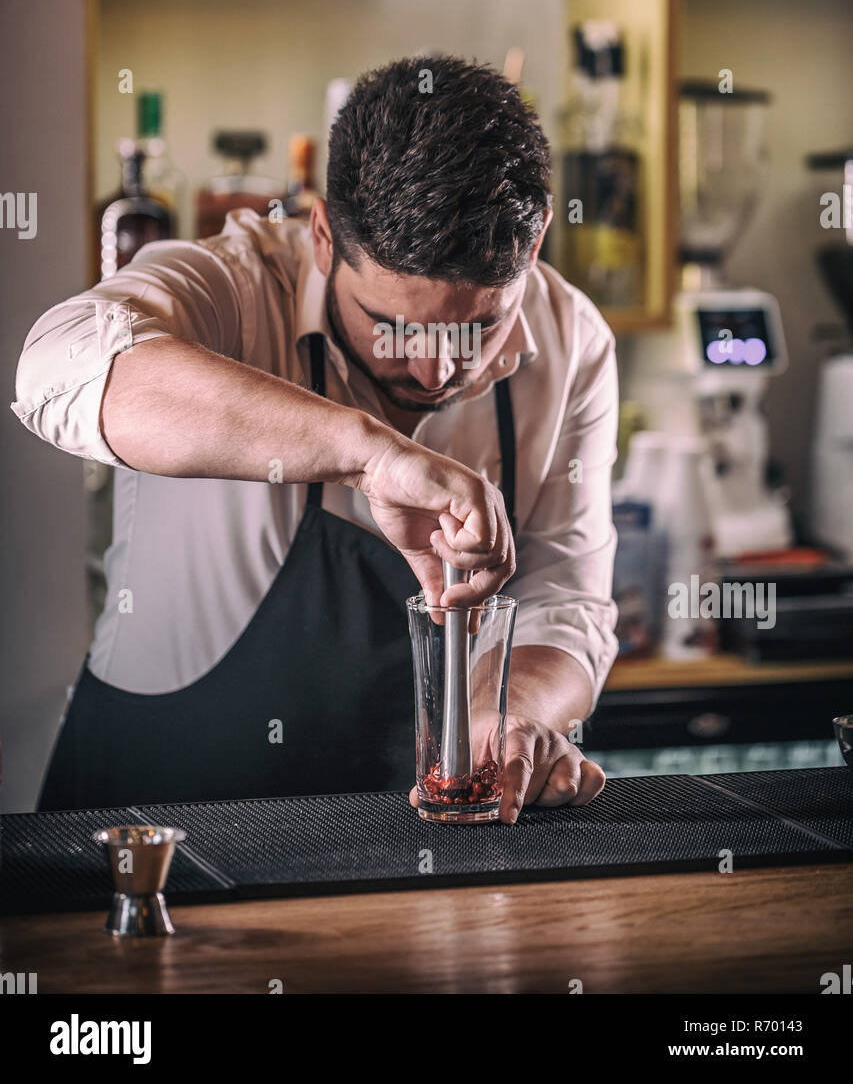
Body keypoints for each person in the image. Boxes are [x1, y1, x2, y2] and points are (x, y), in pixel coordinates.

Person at [12, 55, 618, 820]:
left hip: (413, 842)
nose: (434, 370)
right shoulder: (229, 288)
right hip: (154, 821)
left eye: (480, 328)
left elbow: (566, 595)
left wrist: (518, 714)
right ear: (324, 237)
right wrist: (371, 453)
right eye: (394, 325)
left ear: (532, 252)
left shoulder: (573, 342)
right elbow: (55, 371)